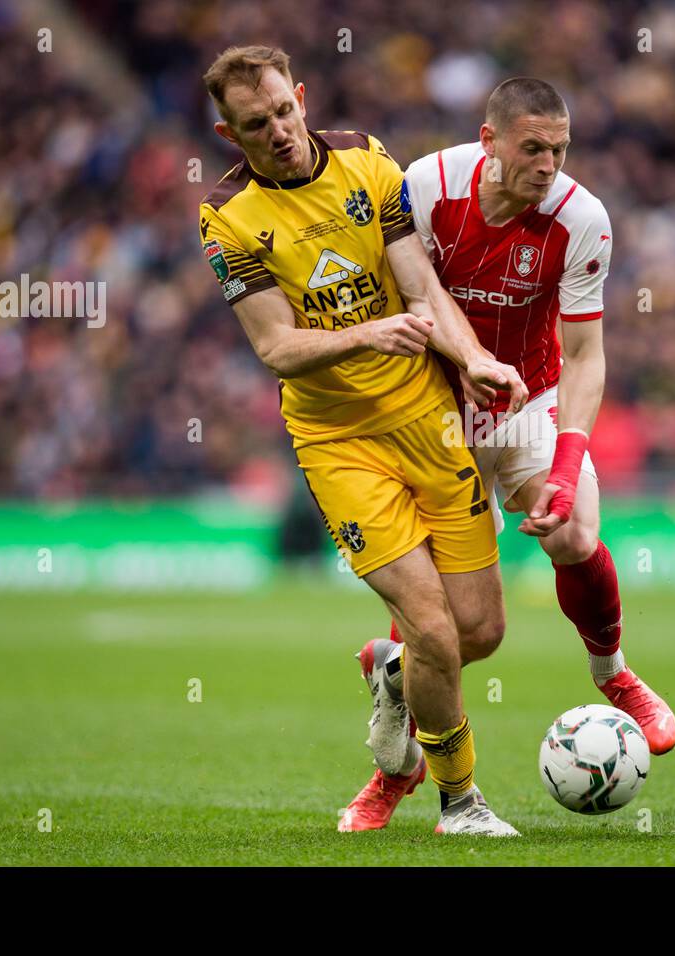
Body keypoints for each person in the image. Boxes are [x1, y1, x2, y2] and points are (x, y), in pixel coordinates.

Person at [197, 45, 529, 836]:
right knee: (434, 629)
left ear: (302, 97)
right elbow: (277, 349)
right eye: (255, 124)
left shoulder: (367, 162)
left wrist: (474, 358)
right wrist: (366, 335)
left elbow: (422, 286)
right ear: (227, 132)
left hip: (429, 419)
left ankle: (393, 681)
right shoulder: (226, 217)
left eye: (283, 111)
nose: (277, 131)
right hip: (338, 442)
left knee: (479, 631)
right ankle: (459, 801)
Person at [339, 78, 675, 832]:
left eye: (559, 149)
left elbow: (588, 357)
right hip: (432, 415)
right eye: (532, 148)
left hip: (531, 403)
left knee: (576, 532)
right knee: (452, 625)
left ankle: (613, 675)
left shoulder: (582, 218)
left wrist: (564, 465)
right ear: (488, 141)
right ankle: (394, 767)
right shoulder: (424, 187)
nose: (548, 164)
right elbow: (400, 295)